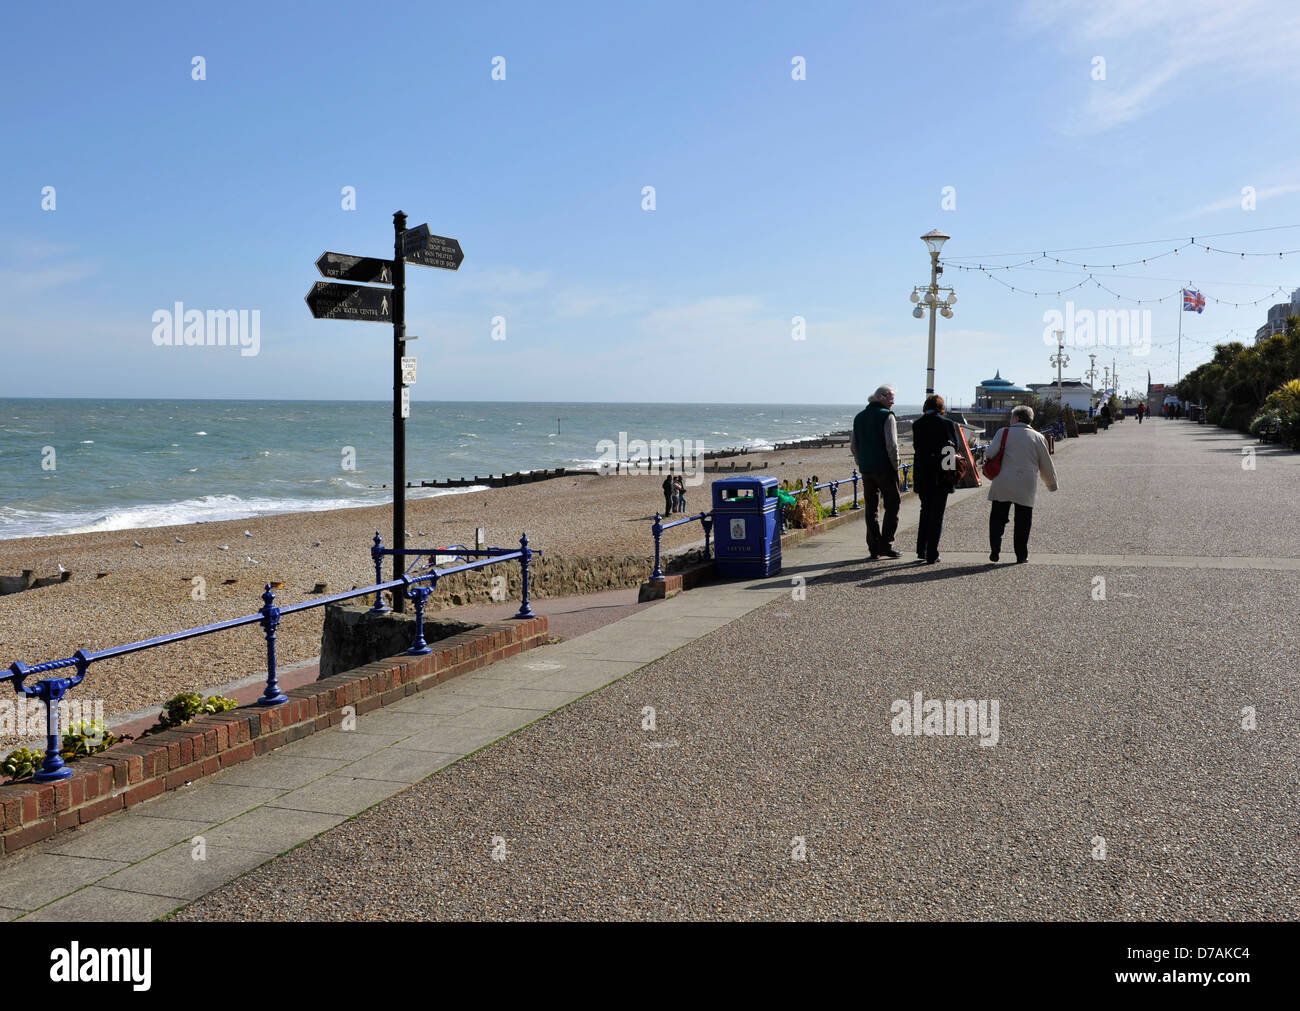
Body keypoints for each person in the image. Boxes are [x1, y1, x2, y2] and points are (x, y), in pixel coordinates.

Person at [986, 405, 1058, 564]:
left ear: (1017, 418)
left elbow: (990, 453)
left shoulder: (1003, 432)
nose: (1010, 420)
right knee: (1023, 520)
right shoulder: (1038, 437)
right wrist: (1051, 484)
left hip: (1002, 481)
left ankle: (995, 549)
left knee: (998, 517)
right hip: (1026, 483)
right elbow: (1046, 463)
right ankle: (1021, 555)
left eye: (1012, 417)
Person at [851, 384, 901, 559]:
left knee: (871, 508)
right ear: (881, 397)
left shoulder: (859, 417)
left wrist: (861, 462)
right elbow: (892, 445)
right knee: (892, 505)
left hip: (867, 469)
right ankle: (886, 544)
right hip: (885, 468)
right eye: (891, 397)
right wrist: (896, 465)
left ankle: (873, 546)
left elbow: (854, 445)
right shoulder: (887, 416)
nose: (893, 401)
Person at [911, 394, 959, 564]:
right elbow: (954, 447)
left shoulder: (917, 425)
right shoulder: (948, 424)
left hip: (923, 473)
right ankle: (932, 553)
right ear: (941, 407)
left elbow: (917, 447)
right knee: (937, 514)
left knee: (925, 511)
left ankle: (921, 550)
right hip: (942, 474)